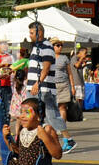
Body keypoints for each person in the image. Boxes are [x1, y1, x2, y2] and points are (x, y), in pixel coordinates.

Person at [27, 21, 74, 152]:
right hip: (36, 87)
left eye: (32, 33)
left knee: (51, 115)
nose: (30, 35)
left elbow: (46, 68)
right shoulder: (37, 46)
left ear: (39, 32)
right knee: (38, 116)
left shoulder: (46, 47)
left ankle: (68, 139)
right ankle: (40, 141)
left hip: (43, 88)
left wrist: (38, 83)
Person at [51, 41, 75, 123]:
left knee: (62, 107)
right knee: (53, 108)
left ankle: (62, 127)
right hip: (52, 85)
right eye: (58, 45)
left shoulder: (64, 58)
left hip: (64, 85)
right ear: (53, 46)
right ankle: (54, 126)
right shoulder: (49, 57)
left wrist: (72, 87)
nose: (60, 47)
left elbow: (70, 73)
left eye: (61, 45)